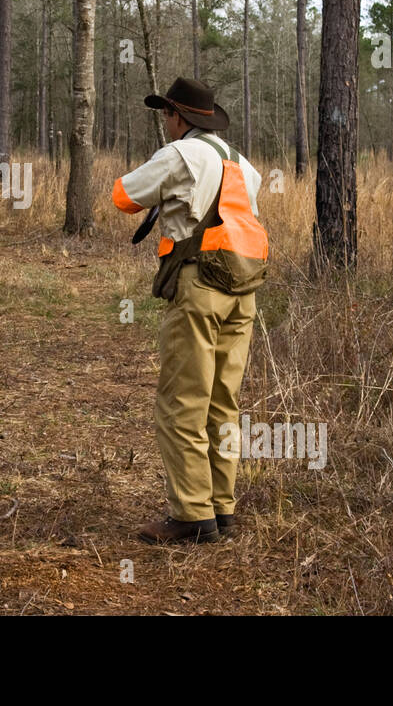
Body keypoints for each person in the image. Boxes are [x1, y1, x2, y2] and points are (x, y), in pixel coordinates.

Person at [112, 77, 268, 544]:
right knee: (224, 402)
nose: (165, 121)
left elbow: (123, 196)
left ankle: (191, 515)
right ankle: (222, 508)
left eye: (166, 113)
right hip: (244, 290)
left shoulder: (181, 154)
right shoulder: (243, 163)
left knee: (182, 402)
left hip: (199, 285)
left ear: (179, 116)